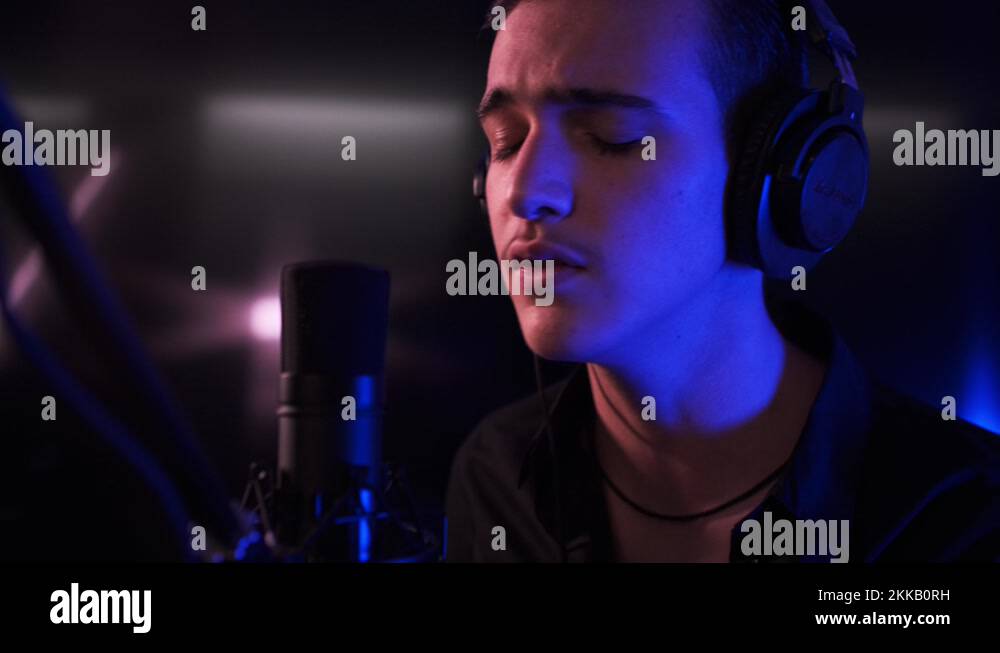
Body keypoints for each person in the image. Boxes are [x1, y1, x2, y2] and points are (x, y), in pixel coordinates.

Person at [445, 0, 999, 562]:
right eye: (506, 142)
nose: (523, 192)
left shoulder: (962, 519)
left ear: (775, 173)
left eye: (613, 137)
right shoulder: (496, 476)